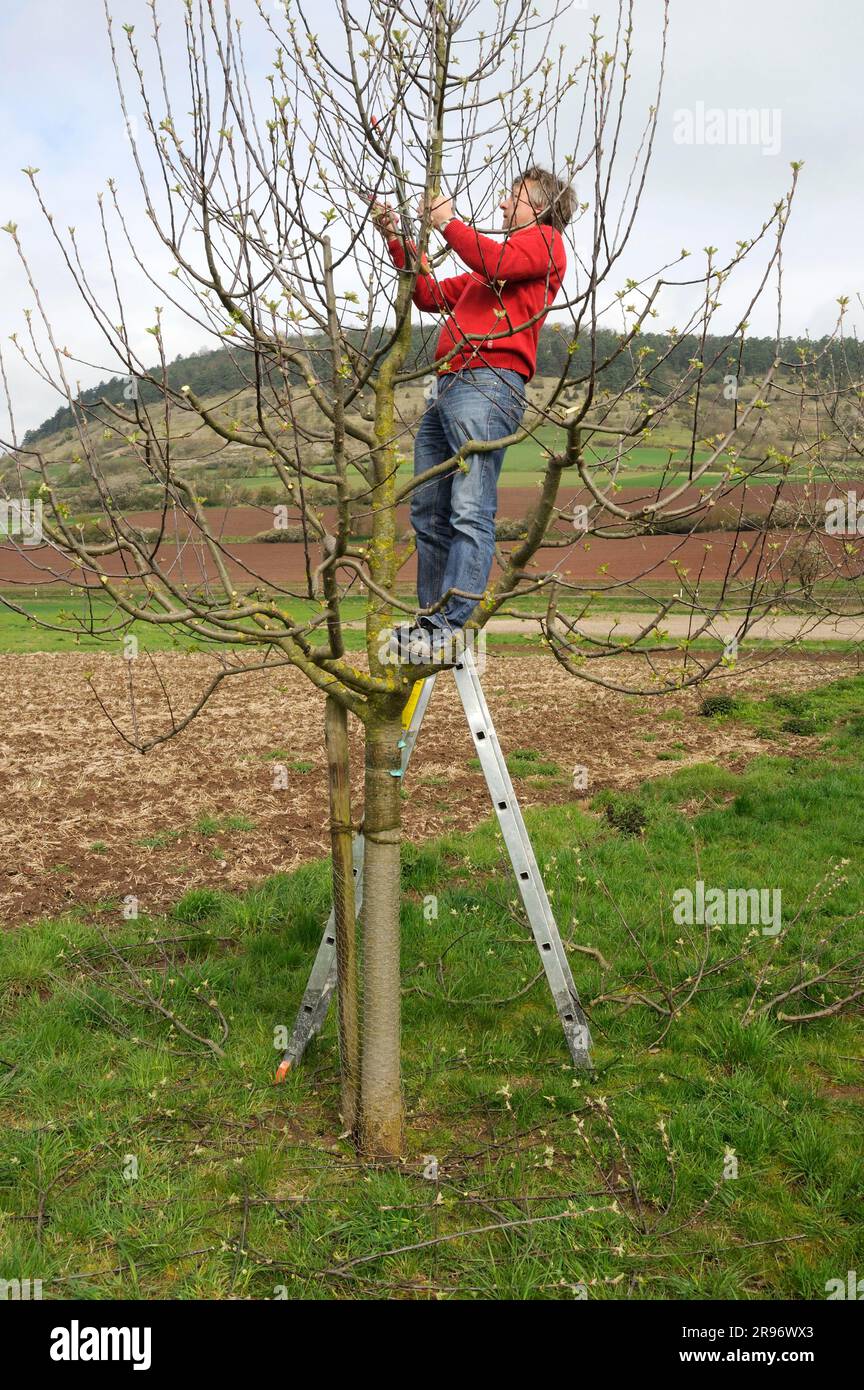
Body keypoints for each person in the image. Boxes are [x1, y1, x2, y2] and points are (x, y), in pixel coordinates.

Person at [371, 167, 574, 663]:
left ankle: (451, 625)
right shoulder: (489, 274)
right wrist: (398, 239)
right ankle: (432, 624)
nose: (503, 205)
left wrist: (448, 222)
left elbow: (495, 259)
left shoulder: (544, 244)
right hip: (449, 386)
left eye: (514, 197)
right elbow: (429, 294)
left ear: (542, 207)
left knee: (468, 506)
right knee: (427, 510)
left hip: (488, 382)